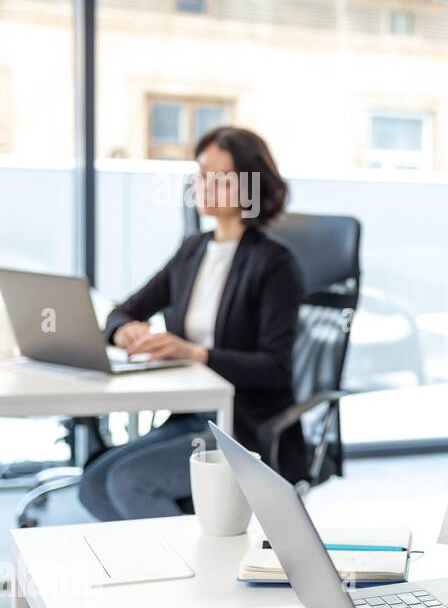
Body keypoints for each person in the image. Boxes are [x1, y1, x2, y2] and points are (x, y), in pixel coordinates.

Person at [79, 127, 307, 520]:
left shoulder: (275, 264)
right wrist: (123, 329)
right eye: (200, 176)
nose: (202, 186)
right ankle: (161, 566)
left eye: (216, 177)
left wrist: (195, 353)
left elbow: (276, 367)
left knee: (128, 482)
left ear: (250, 185)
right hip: (192, 418)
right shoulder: (193, 250)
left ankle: (186, 568)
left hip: (243, 429)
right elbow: (123, 310)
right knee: (94, 483)